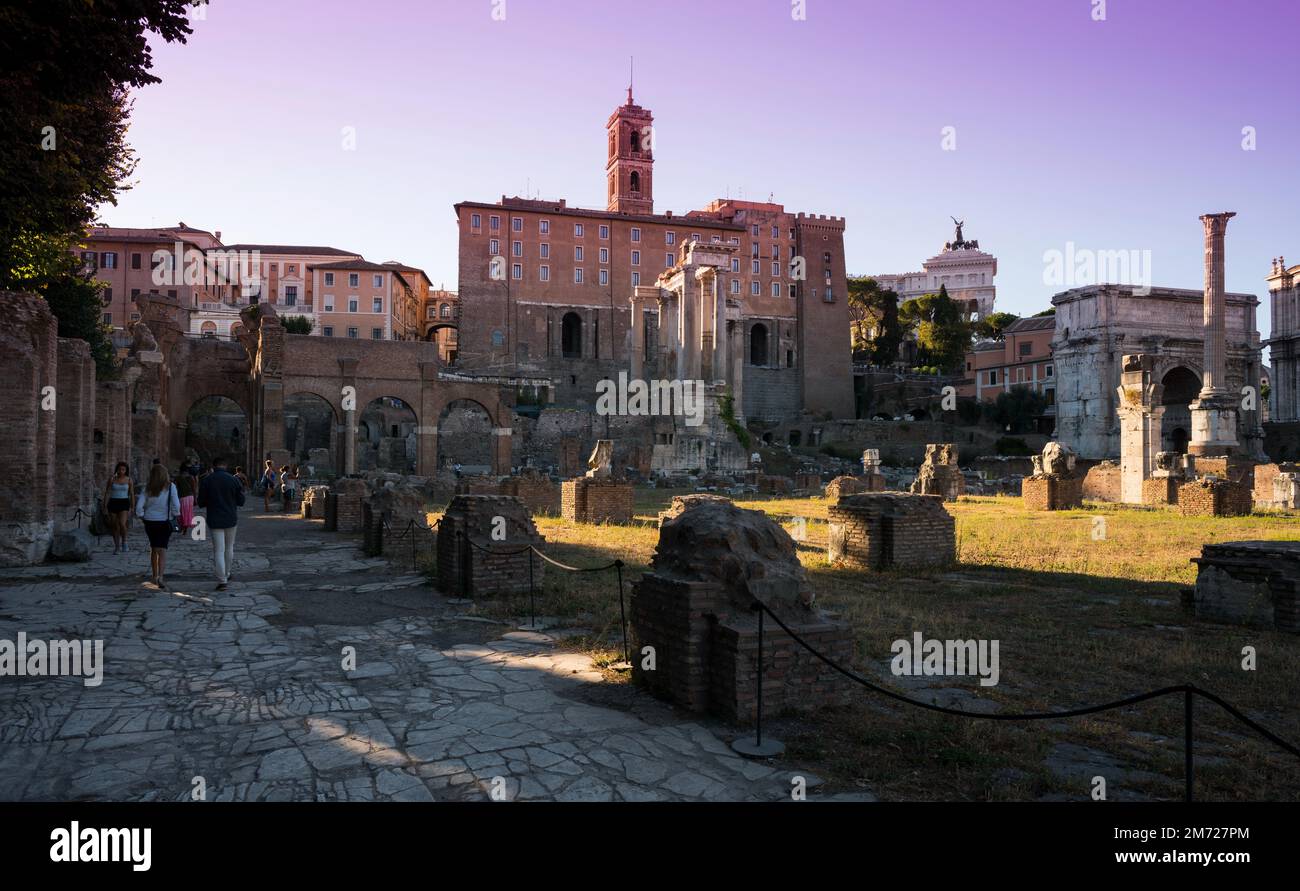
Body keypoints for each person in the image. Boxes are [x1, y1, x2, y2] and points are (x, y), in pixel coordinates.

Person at [197, 456, 246, 591]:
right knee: (229, 547)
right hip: (230, 518)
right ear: (226, 466)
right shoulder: (234, 480)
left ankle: (222, 580)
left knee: (218, 549)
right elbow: (241, 501)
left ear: (213, 466)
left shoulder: (207, 480)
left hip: (214, 518)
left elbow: (201, 502)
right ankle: (227, 573)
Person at [136, 463, 180, 589]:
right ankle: (160, 576)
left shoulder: (147, 488)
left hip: (150, 521)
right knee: (162, 549)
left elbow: (139, 507)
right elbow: (176, 505)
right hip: (165, 521)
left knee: (154, 547)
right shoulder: (171, 487)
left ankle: (154, 575)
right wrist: (175, 514)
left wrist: (142, 516)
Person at [102, 462, 135, 554]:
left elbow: (131, 493)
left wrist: (132, 506)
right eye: (120, 469)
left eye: (123, 469)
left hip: (124, 502)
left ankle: (124, 542)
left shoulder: (129, 480)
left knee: (122, 523)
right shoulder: (112, 479)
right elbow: (107, 492)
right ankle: (117, 547)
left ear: (126, 470)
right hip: (113, 502)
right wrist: (105, 504)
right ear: (117, 469)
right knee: (114, 525)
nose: (121, 471)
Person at [175, 463, 197, 533]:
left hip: (182, 497)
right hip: (190, 497)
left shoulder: (178, 478)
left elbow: (176, 489)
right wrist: (195, 498)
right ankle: (186, 525)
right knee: (188, 512)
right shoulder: (191, 477)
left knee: (182, 512)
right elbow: (194, 489)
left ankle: (182, 526)